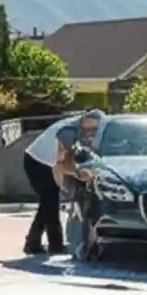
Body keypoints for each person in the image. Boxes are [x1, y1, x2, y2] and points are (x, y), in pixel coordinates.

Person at [21, 109, 104, 255]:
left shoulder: (77, 128)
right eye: (94, 126)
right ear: (86, 119)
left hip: (43, 162)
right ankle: (55, 245)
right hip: (37, 162)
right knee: (50, 202)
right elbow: (64, 164)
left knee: (47, 203)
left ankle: (32, 243)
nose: (95, 130)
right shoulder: (69, 131)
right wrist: (80, 174)